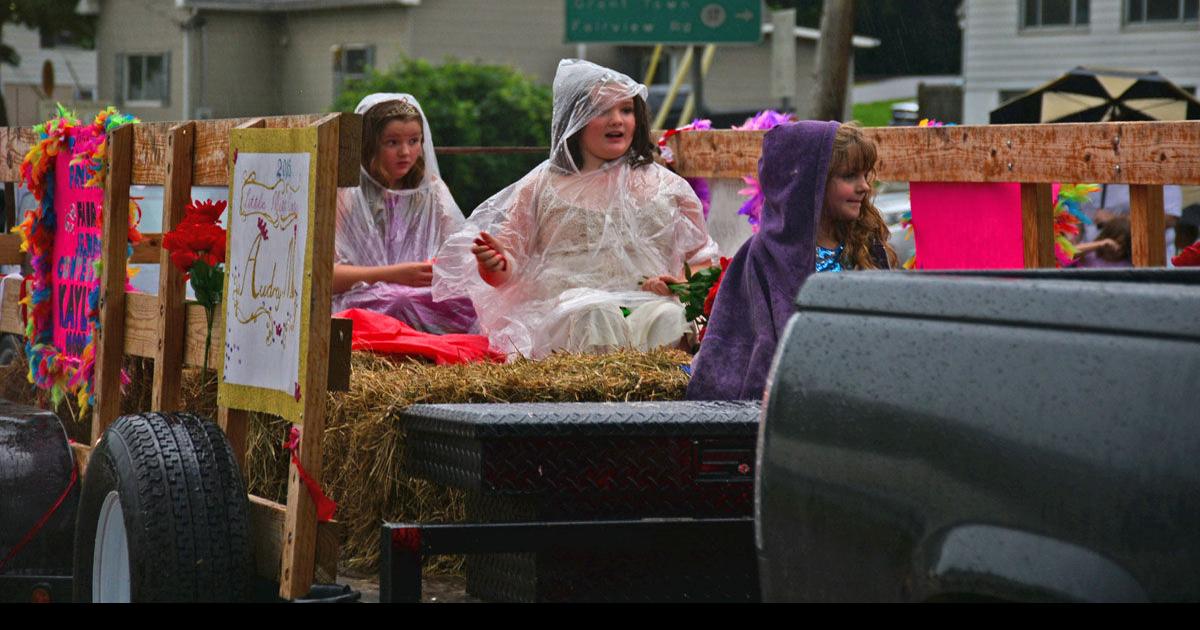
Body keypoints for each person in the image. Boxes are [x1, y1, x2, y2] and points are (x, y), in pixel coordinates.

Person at [432, 59, 719, 359]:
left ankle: (663, 400)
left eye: (626, 110)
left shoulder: (670, 188)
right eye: (603, 110)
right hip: (567, 315)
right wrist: (495, 267)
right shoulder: (541, 186)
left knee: (670, 317)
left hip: (646, 309)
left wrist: (683, 285)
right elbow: (510, 266)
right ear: (576, 118)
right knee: (594, 313)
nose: (617, 120)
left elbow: (703, 261)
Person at [687, 121, 895, 401]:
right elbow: (739, 346)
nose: (864, 186)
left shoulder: (866, 247)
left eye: (865, 175)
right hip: (794, 394)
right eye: (850, 176)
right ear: (809, 183)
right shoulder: (763, 255)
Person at [332, 93, 476, 334]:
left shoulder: (432, 190)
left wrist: (439, 269)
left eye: (414, 141)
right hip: (365, 295)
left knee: (473, 300)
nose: (405, 152)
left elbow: (459, 251)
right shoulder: (347, 195)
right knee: (400, 301)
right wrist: (393, 275)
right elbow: (327, 277)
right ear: (370, 144)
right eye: (392, 142)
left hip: (419, 292)